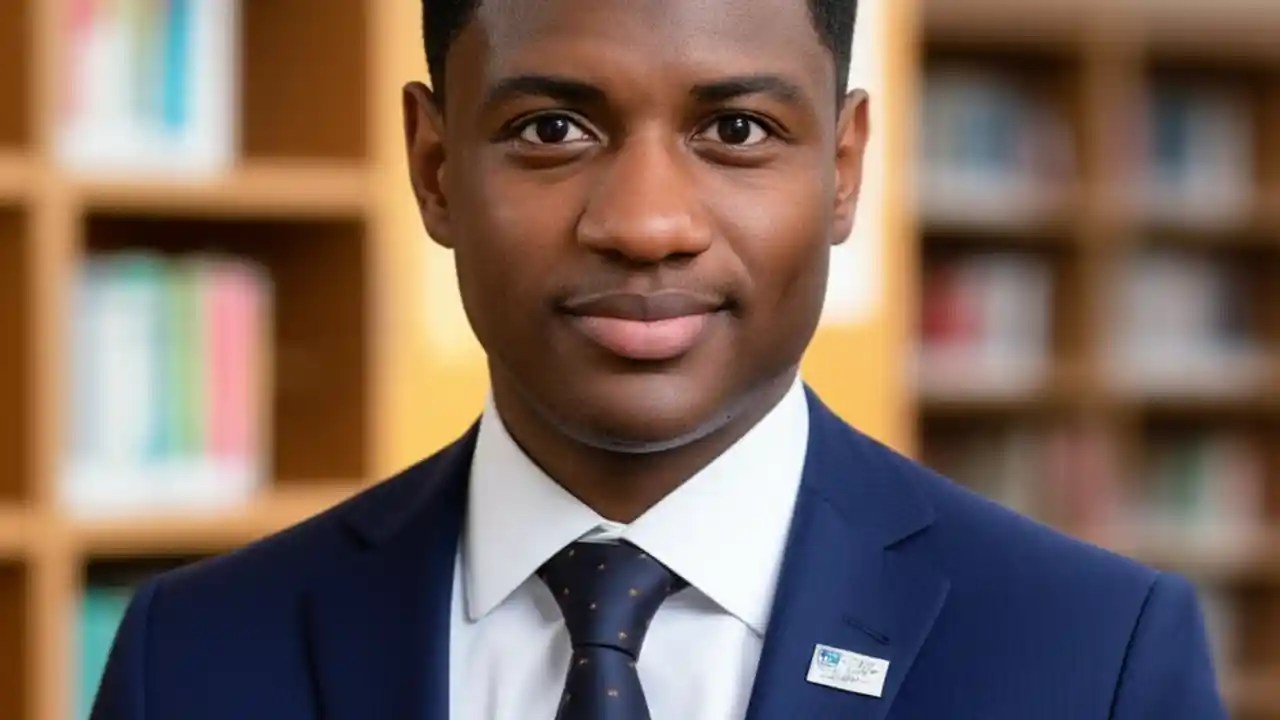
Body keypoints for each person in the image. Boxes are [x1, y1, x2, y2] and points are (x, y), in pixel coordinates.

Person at [92, 0, 1226, 717]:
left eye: (734, 131)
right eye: (551, 129)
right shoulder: (195, 654)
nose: (643, 223)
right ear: (436, 168)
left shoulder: (1093, 657)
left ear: (841, 170)